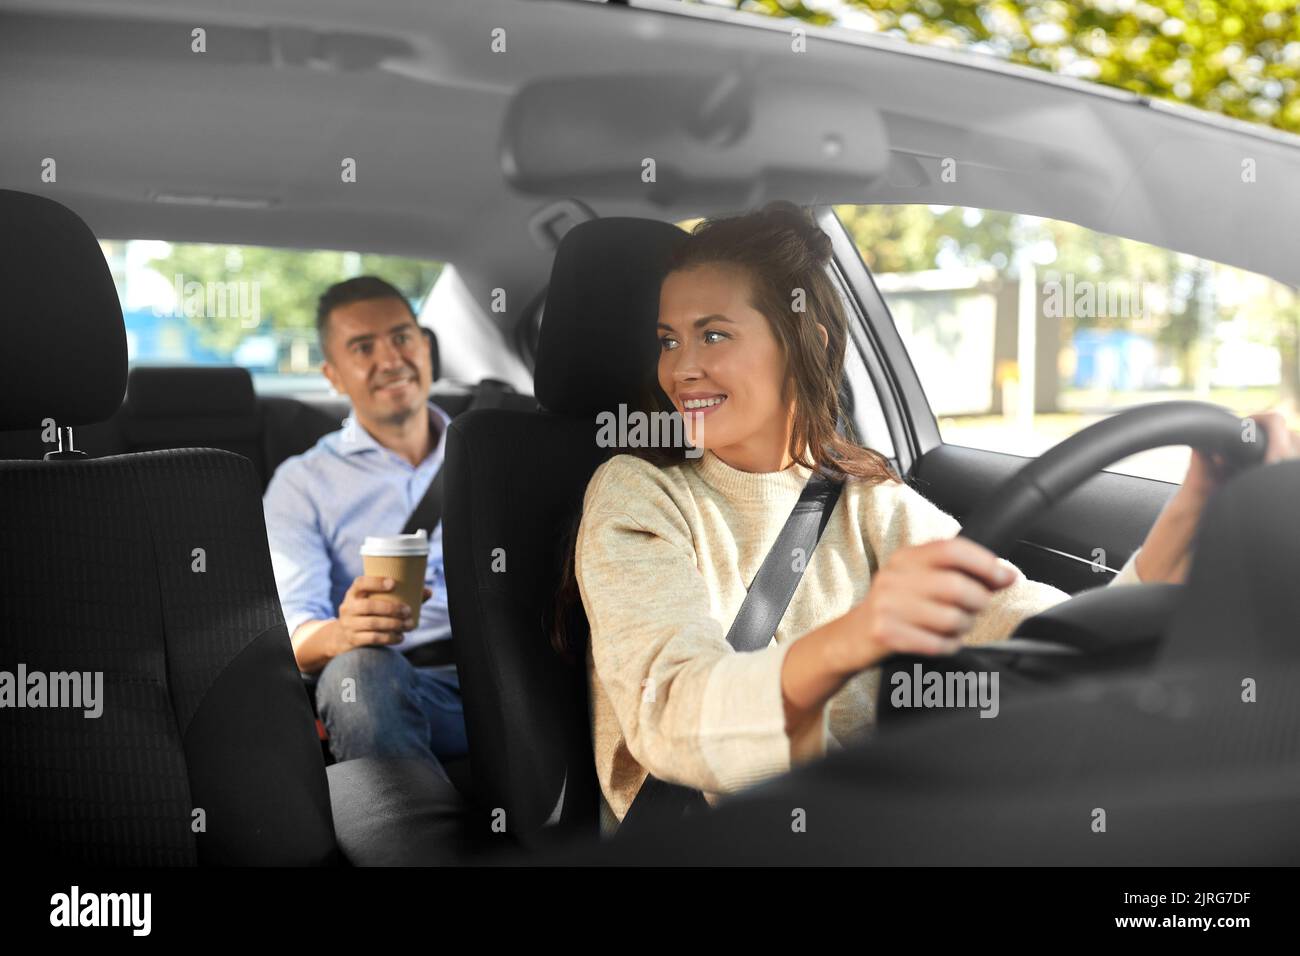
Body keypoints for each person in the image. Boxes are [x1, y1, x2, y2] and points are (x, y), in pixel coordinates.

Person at [564, 202, 1300, 831]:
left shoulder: (867, 500)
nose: (681, 368)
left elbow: (1044, 637)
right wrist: (855, 638)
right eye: (669, 339)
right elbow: (671, 711)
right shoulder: (637, 493)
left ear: (805, 342)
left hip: (879, 823)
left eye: (713, 334)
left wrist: (1192, 510)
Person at [263, 276, 466, 777]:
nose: (391, 360)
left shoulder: (491, 451)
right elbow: (293, 638)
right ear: (333, 375)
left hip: (510, 678)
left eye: (402, 337)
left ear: (426, 348)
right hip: (400, 684)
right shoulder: (302, 483)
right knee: (358, 672)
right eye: (363, 348)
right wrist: (345, 632)